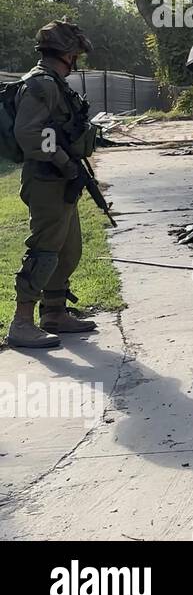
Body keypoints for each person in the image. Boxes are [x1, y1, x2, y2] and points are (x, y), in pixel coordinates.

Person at [6, 21, 99, 350]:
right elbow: (28, 133)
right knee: (45, 249)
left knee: (68, 249)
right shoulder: (41, 84)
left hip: (60, 179)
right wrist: (63, 161)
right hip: (47, 180)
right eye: (76, 53)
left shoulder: (54, 83)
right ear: (68, 54)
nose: (78, 59)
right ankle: (21, 322)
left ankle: (55, 313)